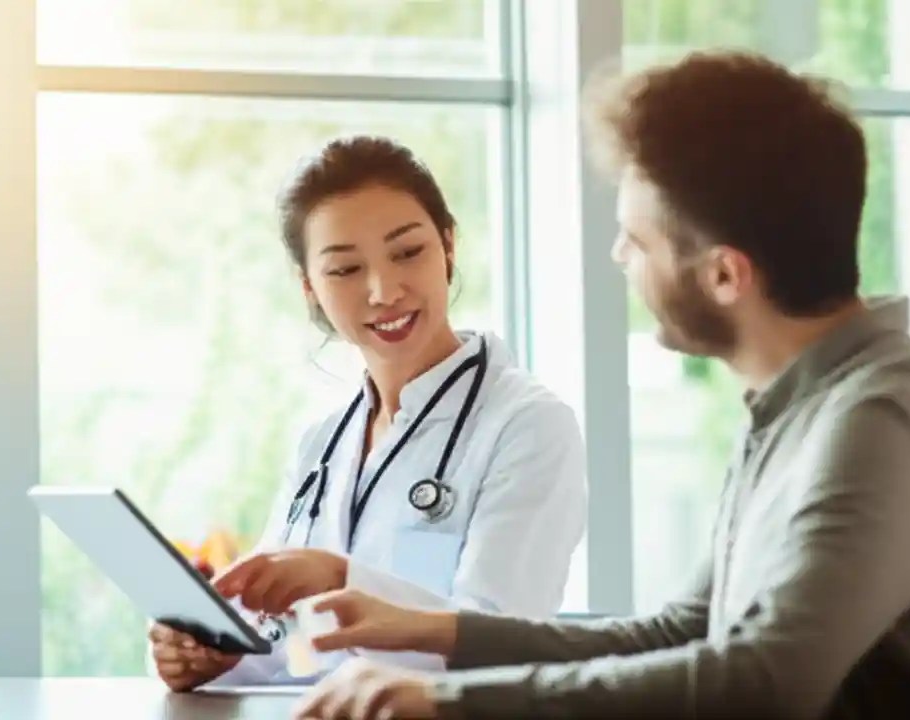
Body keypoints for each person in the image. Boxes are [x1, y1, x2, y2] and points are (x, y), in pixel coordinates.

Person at [291, 52, 910, 719]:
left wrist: (450, 703)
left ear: (725, 275)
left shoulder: (877, 419)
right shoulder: (801, 407)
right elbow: (684, 630)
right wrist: (434, 631)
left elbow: (765, 681)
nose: (618, 256)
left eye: (638, 240)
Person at [147, 135, 588, 688]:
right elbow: (290, 652)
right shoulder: (321, 444)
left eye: (408, 252)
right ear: (310, 288)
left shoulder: (527, 425)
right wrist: (205, 652)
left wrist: (338, 578)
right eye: (345, 270)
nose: (384, 291)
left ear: (448, 246)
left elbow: (500, 643)